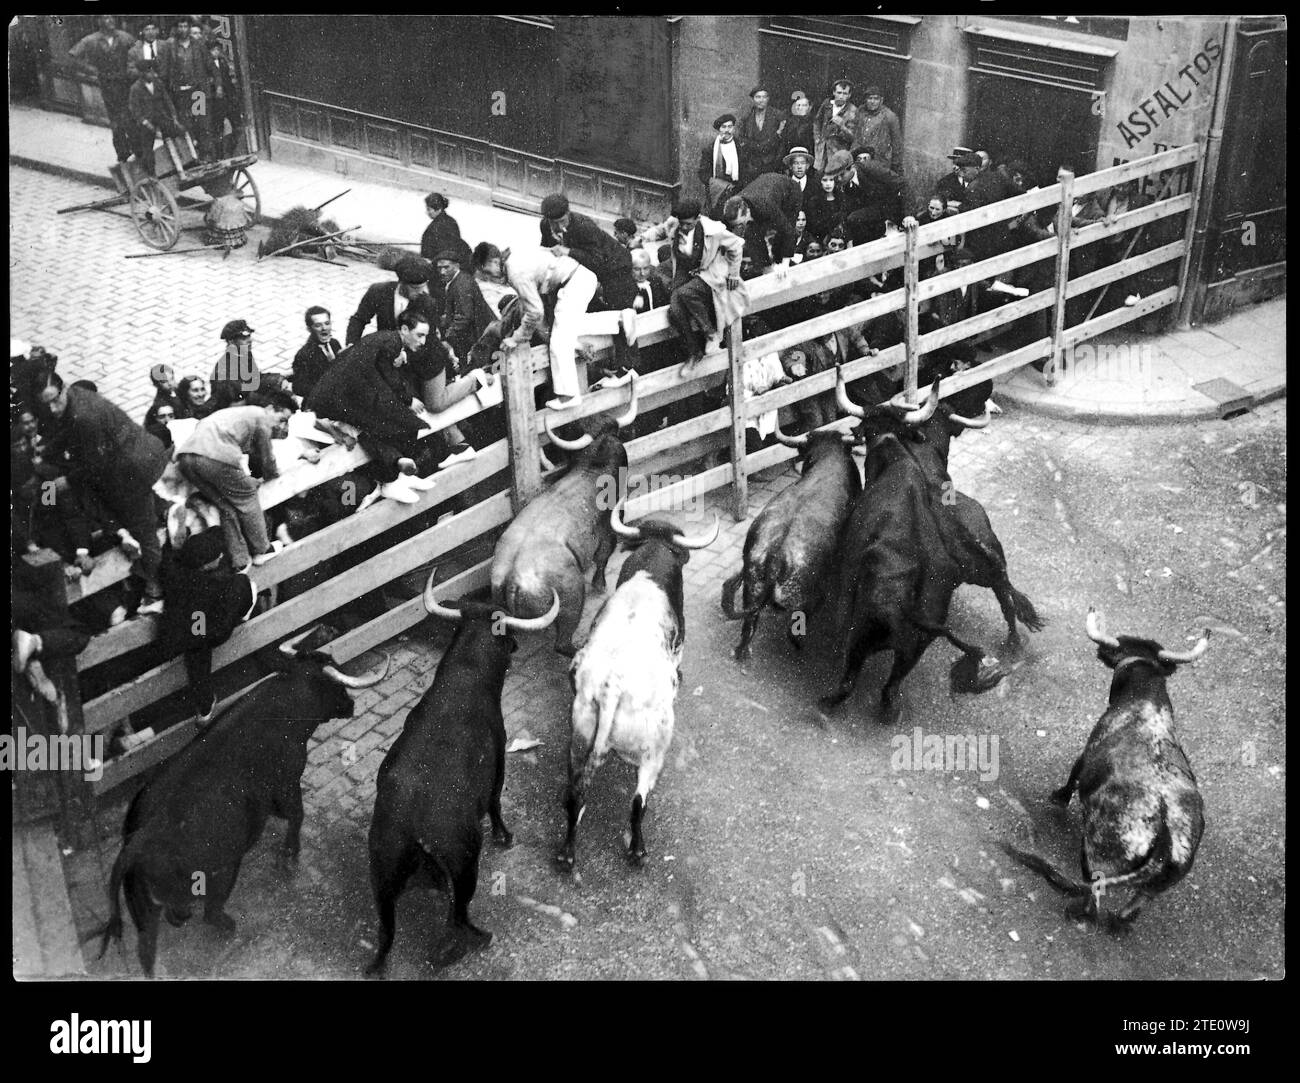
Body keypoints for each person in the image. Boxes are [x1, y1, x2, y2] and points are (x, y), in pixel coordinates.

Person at [31, 371, 171, 614]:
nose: (53, 409)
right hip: (133, 453)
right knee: (110, 503)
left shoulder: (85, 417)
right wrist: (46, 449)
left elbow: (94, 466)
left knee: (142, 526)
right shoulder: (76, 396)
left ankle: (154, 589)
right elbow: (71, 434)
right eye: (47, 404)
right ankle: (158, 512)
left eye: (55, 400)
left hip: (134, 466)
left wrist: (65, 482)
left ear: (63, 390)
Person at [308, 314, 470, 502]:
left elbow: (380, 375)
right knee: (391, 422)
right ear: (404, 330)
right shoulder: (392, 343)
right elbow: (386, 377)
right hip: (339, 398)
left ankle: (401, 477)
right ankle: (391, 481)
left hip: (346, 393)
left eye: (425, 336)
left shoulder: (389, 340)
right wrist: (407, 401)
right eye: (419, 335)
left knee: (397, 421)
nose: (422, 341)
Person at [175, 388, 299, 572]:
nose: (280, 425)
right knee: (247, 497)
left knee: (225, 505)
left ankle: (240, 560)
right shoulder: (261, 418)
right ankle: (262, 549)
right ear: (271, 408)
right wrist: (271, 474)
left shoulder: (239, 414)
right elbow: (267, 459)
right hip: (212, 457)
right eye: (282, 419)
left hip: (186, 458)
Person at [477, 242, 597, 412]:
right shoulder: (514, 254)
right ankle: (618, 319)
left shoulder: (515, 273)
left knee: (559, 344)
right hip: (577, 278)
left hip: (573, 284)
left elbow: (535, 312)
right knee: (566, 332)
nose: (491, 277)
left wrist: (516, 338)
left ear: (495, 262)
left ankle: (569, 395)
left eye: (488, 272)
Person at [157, 528, 258, 725]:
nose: (220, 556)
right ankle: (204, 703)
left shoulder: (173, 571)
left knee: (197, 644)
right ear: (206, 566)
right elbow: (203, 634)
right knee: (243, 583)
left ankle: (204, 703)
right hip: (203, 625)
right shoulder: (211, 587)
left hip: (179, 622)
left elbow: (167, 560)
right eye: (217, 556)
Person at [638, 198, 747, 373]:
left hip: (709, 271)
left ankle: (711, 334)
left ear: (697, 219)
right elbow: (660, 231)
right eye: (682, 224)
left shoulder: (712, 230)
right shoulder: (676, 224)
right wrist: (642, 238)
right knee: (674, 310)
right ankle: (694, 351)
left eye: (689, 224)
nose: (684, 228)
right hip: (686, 271)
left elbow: (736, 245)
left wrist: (734, 273)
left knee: (685, 293)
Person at [538, 193, 638, 312]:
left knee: (617, 312)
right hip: (584, 266)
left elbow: (596, 260)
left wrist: (568, 251)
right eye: (554, 223)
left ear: (568, 213)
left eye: (562, 221)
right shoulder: (545, 225)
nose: (559, 226)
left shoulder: (584, 226)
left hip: (615, 266)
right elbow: (546, 251)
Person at [68, 16, 137, 165]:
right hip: (108, 86)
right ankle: (123, 155)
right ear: (99, 21)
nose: (110, 20)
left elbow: (138, 54)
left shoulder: (125, 38)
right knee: (117, 122)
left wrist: (132, 70)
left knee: (131, 119)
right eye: (105, 18)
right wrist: (92, 70)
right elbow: (73, 56)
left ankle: (138, 153)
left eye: (111, 17)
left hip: (127, 84)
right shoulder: (91, 40)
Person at [346, 255, 442, 346]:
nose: (422, 292)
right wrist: (352, 344)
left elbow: (430, 338)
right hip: (383, 348)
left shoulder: (428, 303)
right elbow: (359, 319)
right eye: (416, 288)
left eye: (423, 287)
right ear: (402, 283)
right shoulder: (378, 291)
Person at [158, 15, 214, 161]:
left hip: (197, 91)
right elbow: (164, 71)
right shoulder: (170, 47)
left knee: (202, 122)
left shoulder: (198, 45)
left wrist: (214, 83)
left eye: (186, 26)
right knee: (186, 125)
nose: (183, 30)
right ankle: (191, 157)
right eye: (180, 27)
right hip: (180, 93)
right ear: (176, 29)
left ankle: (206, 155)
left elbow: (210, 65)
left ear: (189, 28)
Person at [435, 249, 496, 370]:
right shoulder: (459, 279)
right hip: (478, 331)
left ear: (456, 266)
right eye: (439, 268)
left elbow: (463, 317)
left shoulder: (461, 285)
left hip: (479, 333)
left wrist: (446, 337)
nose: (442, 272)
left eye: (446, 267)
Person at [127, 60, 188, 177]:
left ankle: (185, 162)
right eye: (149, 72)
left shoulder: (158, 83)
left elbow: (167, 101)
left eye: (153, 71)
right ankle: (151, 174)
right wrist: (145, 122)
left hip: (161, 117)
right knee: (147, 148)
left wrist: (174, 118)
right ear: (142, 74)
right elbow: (134, 109)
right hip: (147, 122)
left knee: (178, 133)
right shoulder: (135, 88)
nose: (153, 74)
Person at [731, 172, 800, 268]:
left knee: (783, 229)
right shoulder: (734, 205)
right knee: (751, 234)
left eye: (741, 223)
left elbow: (788, 231)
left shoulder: (766, 206)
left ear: (747, 212)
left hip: (790, 193)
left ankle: (779, 261)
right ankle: (765, 267)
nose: (740, 227)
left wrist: (785, 263)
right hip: (764, 189)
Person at [292, 306, 343, 402]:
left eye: (327, 323)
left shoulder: (334, 343)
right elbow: (298, 387)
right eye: (318, 325)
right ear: (309, 329)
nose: (324, 328)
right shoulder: (304, 355)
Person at [697, 114, 744, 219]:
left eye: (730, 127)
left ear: (733, 128)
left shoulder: (740, 146)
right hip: (717, 194)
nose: (727, 130)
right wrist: (720, 186)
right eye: (723, 127)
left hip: (737, 190)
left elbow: (746, 169)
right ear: (719, 129)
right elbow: (703, 173)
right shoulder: (711, 149)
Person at [737, 86, 786, 181]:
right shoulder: (746, 117)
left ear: (768, 99)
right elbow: (742, 139)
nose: (761, 100)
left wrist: (776, 161)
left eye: (764, 97)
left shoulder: (777, 116)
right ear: (753, 99)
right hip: (751, 164)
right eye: (758, 97)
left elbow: (781, 142)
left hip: (772, 163)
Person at [204, 38, 242, 159]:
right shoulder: (205, 66)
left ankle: (231, 151)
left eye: (217, 49)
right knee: (217, 129)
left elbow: (229, 82)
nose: (216, 52)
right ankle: (219, 155)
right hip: (215, 102)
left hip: (227, 100)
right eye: (213, 50)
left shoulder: (223, 62)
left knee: (236, 126)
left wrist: (233, 97)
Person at [210, 319, 259, 411]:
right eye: (244, 338)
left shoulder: (245, 353)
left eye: (249, 336)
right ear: (231, 342)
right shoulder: (223, 370)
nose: (250, 340)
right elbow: (229, 405)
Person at [813, 79, 860, 173]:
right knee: (819, 177)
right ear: (834, 92)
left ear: (849, 95)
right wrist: (817, 139)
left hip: (837, 153)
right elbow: (817, 122)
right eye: (839, 92)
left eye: (845, 93)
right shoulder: (827, 105)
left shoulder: (853, 111)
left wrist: (842, 126)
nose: (841, 96)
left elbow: (853, 137)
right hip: (821, 152)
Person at [856, 86, 903, 176]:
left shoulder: (889, 116)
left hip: (879, 160)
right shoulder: (860, 112)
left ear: (881, 100)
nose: (873, 102)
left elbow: (896, 143)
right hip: (861, 158)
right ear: (865, 99)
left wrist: (896, 165)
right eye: (870, 98)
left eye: (876, 99)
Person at [419, 192, 471, 268]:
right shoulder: (451, 220)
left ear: (439, 209)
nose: (427, 213)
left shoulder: (435, 226)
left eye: (429, 209)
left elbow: (431, 253)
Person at [803, 169, 846, 242]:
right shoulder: (814, 201)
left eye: (831, 180)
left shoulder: (841, 199)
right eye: (825, 180)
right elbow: (814, 226)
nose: (828, 184)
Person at [935, 148, 979, 212]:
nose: (954, 167)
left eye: (959, 163)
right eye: (953, 163)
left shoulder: (978, 180)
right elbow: (938, 203)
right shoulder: (945, 182)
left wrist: (959, 205)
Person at [784, 146, 820, 213]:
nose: (799, 167)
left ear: (807, 165)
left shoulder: (815, 185)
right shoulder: (785, 186)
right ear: (790, 166)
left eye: (802, 163)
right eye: (796, 163)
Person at [784, 92, 815, 161]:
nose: (800, 108)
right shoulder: (790, 122)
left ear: (810, 107)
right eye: (798, 105)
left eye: (804, 105)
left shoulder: (814, 123)